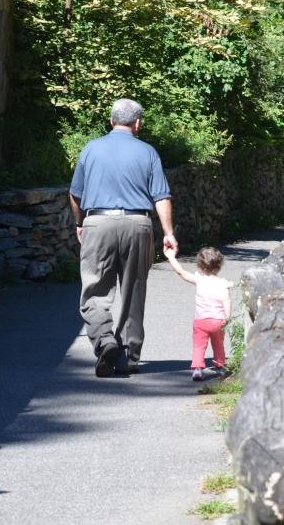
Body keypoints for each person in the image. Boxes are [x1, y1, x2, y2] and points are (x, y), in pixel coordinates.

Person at [69, 99, 177, 377]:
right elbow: (161, 196)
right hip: (137, 223)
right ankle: (127, 355)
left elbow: (75, 193)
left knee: (94, 290)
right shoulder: (148, 152)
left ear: (111, 120)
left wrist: (80, 223)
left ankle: (104, 340)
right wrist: (168, 233)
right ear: (137, 122)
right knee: (134, 289)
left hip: (97, 222)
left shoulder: (90, 149)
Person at [162, 246, 231, 381]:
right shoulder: (223, 283)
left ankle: (198, 369)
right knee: (218, 344)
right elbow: (226, 300)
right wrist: (227, 317)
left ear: (200, 265)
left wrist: (171, 257)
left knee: (199, 345)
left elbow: (181, 272)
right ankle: (220, 366)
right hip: (218, 321)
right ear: (220, 265)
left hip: (201, 321)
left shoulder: (199, 279)